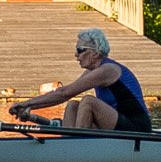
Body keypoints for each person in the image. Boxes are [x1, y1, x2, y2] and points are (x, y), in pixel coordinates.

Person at [9, 28, 152, 131]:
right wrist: (29, 107)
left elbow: (64, 92)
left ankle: (76, 146)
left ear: (95, 53)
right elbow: (63, 96)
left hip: (137, 126)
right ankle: (68, 144)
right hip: (117, 122)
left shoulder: (108, 70)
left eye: (80, 50)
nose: (76, 55)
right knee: (72, 105)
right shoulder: (92, 72)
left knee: (88, 102)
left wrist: (26, 103)